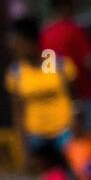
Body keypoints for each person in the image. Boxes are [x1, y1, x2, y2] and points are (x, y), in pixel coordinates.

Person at [7, 15, 77, 155]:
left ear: (31, 42)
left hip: (65, 132)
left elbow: (74, 97)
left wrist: (78, 125)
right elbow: (18, 111)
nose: (15, 50)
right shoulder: (16, 73)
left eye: (18, 44)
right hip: (37, 137)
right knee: (52, 176)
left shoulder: (56, 63)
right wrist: (24, 148)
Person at [39, 0, 91, 130]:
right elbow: (90, 62)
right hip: (83, 92)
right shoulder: (76, 30)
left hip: (58, 99)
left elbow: (46, 68)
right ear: (66, 8)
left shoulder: (45, 34)